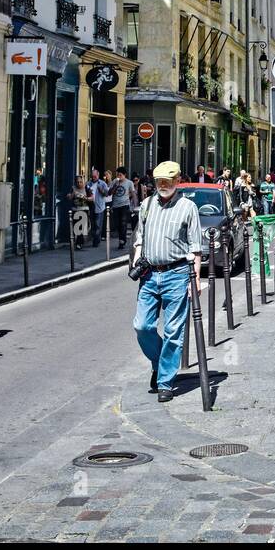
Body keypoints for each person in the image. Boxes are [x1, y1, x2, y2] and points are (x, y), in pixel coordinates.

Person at [131, 161, 206, 402]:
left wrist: (193, 281)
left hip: (177, 274)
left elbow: (195, 249)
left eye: (168, 181)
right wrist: (136, 261)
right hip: (150, 275)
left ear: (178, 181)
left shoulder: (188, 208)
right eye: (159, 181)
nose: (163, 185)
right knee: (142, 326)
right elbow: (140, 239)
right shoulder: (146, 205)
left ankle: (165, 381)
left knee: (174, 331)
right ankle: (159, 362)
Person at [110, 166, 135, 249]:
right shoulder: (115, 181)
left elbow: (133, 193)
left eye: (120, 175)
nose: (119, 176)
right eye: (117, 175)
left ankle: (122, 240)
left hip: (125, 205)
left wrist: (134, 204)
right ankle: (121, 238)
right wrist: (115, 186)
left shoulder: (129, 183)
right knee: (117, 224)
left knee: (123, 223)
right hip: (115, 205)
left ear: (125, 175)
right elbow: (110, 193)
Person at [87, 168, 110, 247]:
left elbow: (107, 194)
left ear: (98, 175)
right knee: (93, 224)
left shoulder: (102, 183)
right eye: (92, 176)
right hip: (91, 206)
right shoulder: (88, 183)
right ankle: (95, 238)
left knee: (98, 224)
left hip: (100, 206)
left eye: (95, 176)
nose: (93, 178)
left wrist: (101, 191)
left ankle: (96, 241)